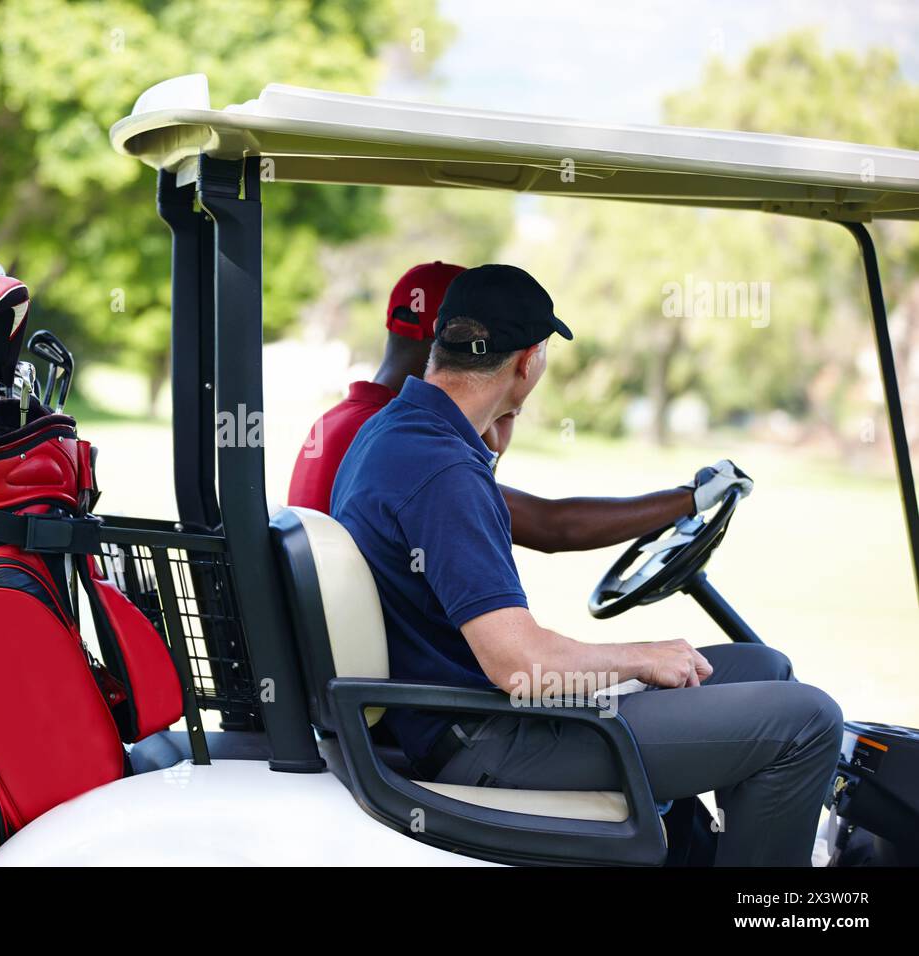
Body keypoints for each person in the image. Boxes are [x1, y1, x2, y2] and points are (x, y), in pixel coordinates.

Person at [331, 264, 842, 866]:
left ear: (440, 343)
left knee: (763, 668)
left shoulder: (393, 431)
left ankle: (698, 851)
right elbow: (520, 667)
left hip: (461, 716)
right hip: (488, 738)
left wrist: (494, 435)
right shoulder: (445, 472)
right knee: (809, 719)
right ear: (529, 362)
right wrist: (641, 658)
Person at [288, 262, 716, 553]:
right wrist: (689, 499)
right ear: (448, 339)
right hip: (403, 680)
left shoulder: (344, 420)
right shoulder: (400, 437)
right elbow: (551, 526)